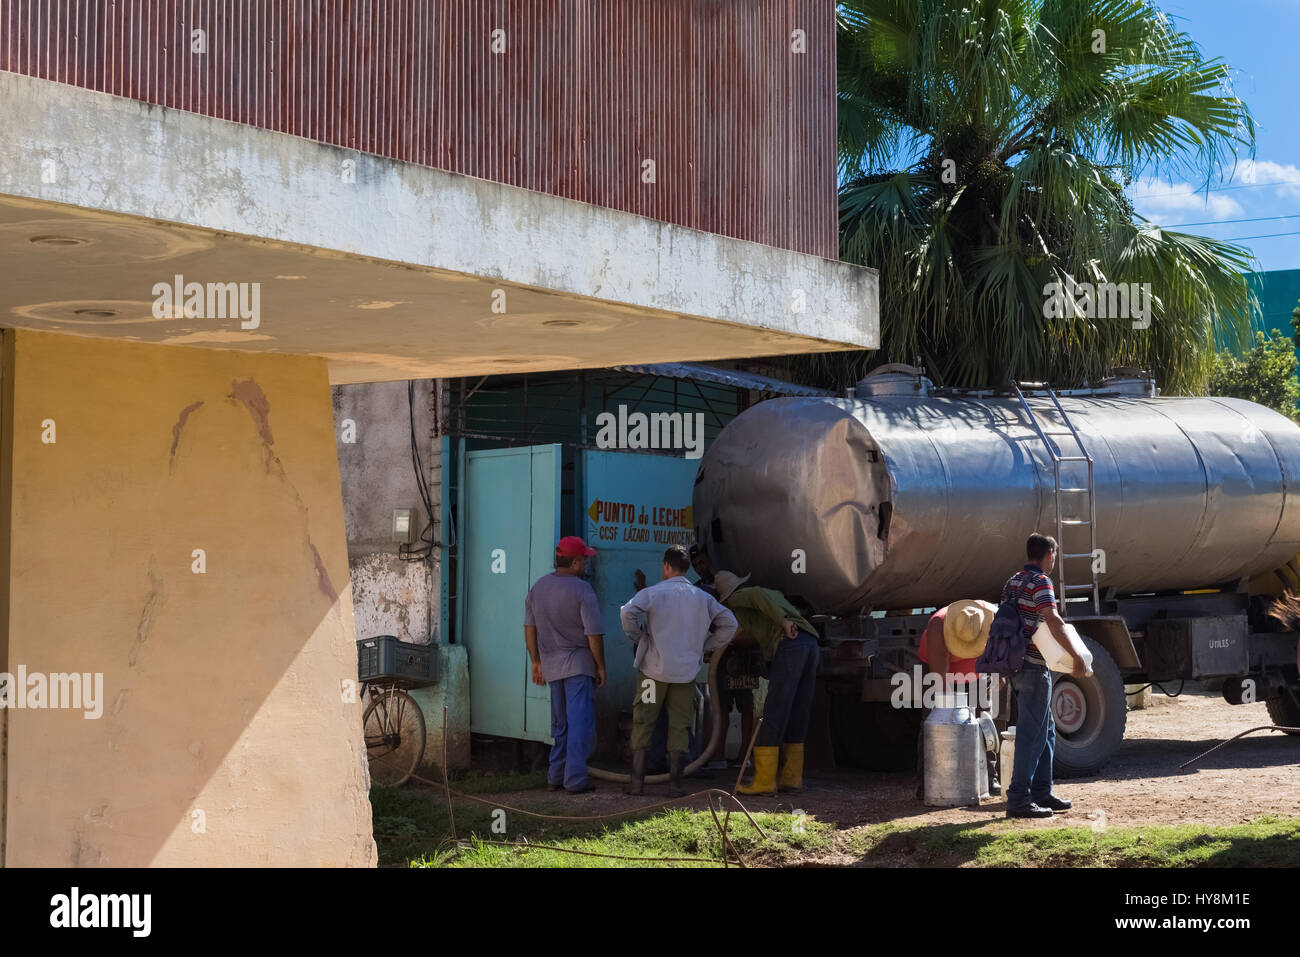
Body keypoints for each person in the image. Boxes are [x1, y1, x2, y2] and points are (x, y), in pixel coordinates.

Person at [620, 545, 738, 796]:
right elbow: (730, 624)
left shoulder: (653, 593)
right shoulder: (702, 597)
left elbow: (626, 611)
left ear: (665, 566)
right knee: (680, 726)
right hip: (684, 676)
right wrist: (706, 645)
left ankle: (637, 783)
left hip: (652, 674)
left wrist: (639, 637)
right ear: (686, 568)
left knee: (644, 721)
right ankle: (675, 784)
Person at [1003, 533, 1090, 819]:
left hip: (1015, 663)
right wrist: (1077, 656)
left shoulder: (1013, 581)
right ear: (1049, 554)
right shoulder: (1041, 582)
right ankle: (1018, 798)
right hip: (1033, 665)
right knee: (1032, 734)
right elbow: (1053, 620)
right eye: (1055, 555)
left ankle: (1042, 791)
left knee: (1047, 729)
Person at [714, 570, 819, 795]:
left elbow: (761, 598)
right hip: (809, 643)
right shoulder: (767, 598)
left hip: (789, 644)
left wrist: (783, 622)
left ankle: (764, 780)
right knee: (797, 711)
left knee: (774, 711)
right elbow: (748, 633)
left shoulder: (741, 597)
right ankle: (792, 778)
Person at [524, 536, 606, 794]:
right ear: (574, 562)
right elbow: (593, 634)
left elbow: (529, 628)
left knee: (560, 724)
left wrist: (536, 661)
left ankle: (555, 776)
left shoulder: (538, 588)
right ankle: (576, 780)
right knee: (580, 722)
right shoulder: (583, 590)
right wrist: (600, 665)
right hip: (578, 666)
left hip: (551, 665)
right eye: (583, 560)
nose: (586, 565)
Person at [915, 599, 995, 798]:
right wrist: (951, 715)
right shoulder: (938, 628)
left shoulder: (992, 618)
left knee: (986, 722)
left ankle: (989, 778)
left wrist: (997, 674)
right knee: (936, 723)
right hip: (941, 672)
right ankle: (928, 783)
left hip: (979, 671)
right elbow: (940, 681)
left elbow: (1000, 650)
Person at [689, 545, 754, 766]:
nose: (700, 568)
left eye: (703, 562)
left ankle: (745, 754)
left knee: (746, 704)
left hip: (742, 651)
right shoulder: (697, 590)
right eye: (696, 565)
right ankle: (716, 754)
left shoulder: (729, 583)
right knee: (720, 705)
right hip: (720, 653)